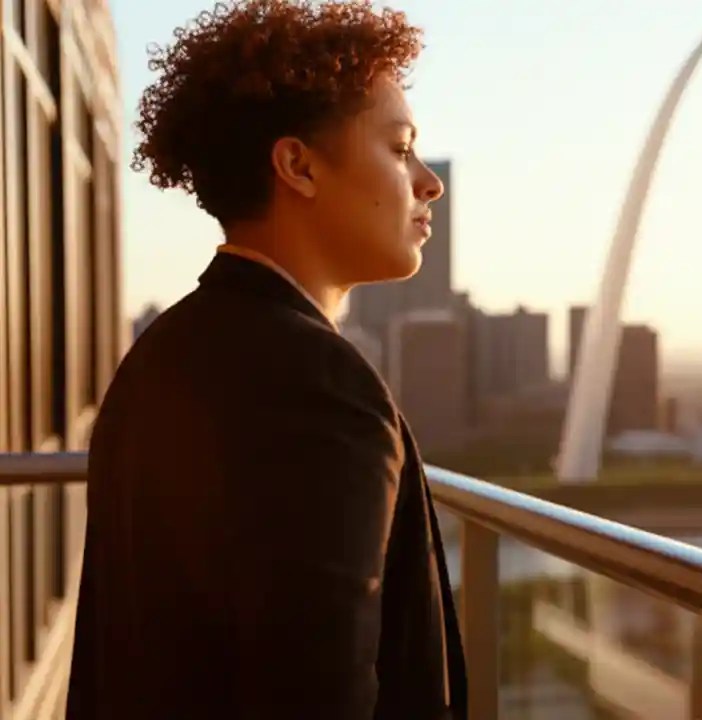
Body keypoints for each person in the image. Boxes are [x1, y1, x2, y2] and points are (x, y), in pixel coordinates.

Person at [67, 1, 466, 717]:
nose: (428, 183)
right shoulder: (319, 387)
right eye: (400, 147)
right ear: (297, 166)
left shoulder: (163, 353)